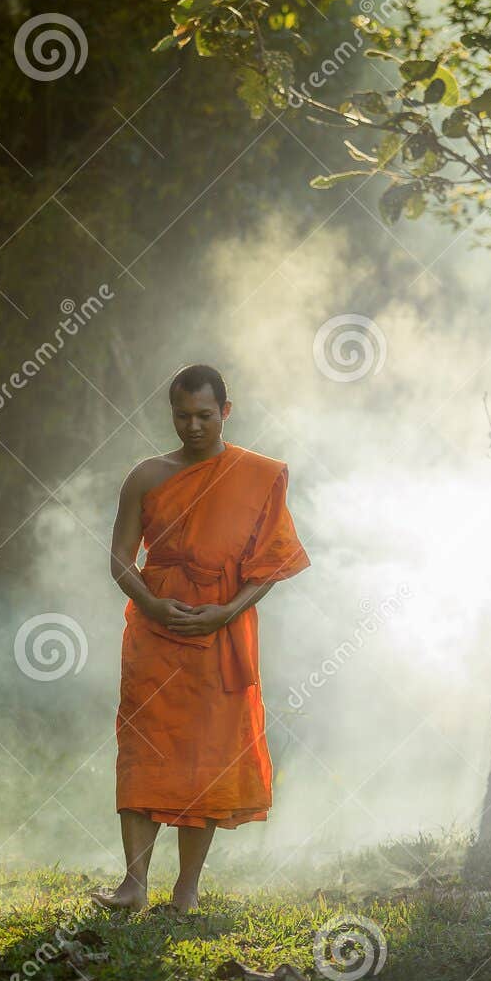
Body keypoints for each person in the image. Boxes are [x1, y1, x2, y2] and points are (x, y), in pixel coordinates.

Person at [93, 364, 310, 912]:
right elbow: (120, 559)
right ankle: (134, 885)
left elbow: (271, 564)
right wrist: (150, 603)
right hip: (153, 631)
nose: (193, 427)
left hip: (222, 632)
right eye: (183, 416)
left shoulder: (257, 475)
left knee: (208, 756)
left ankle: (186, 889)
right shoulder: (146, 475)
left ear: (226, 413)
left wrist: (225, 613)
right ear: (172, 414)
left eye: (205, 416)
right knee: (144, 745)